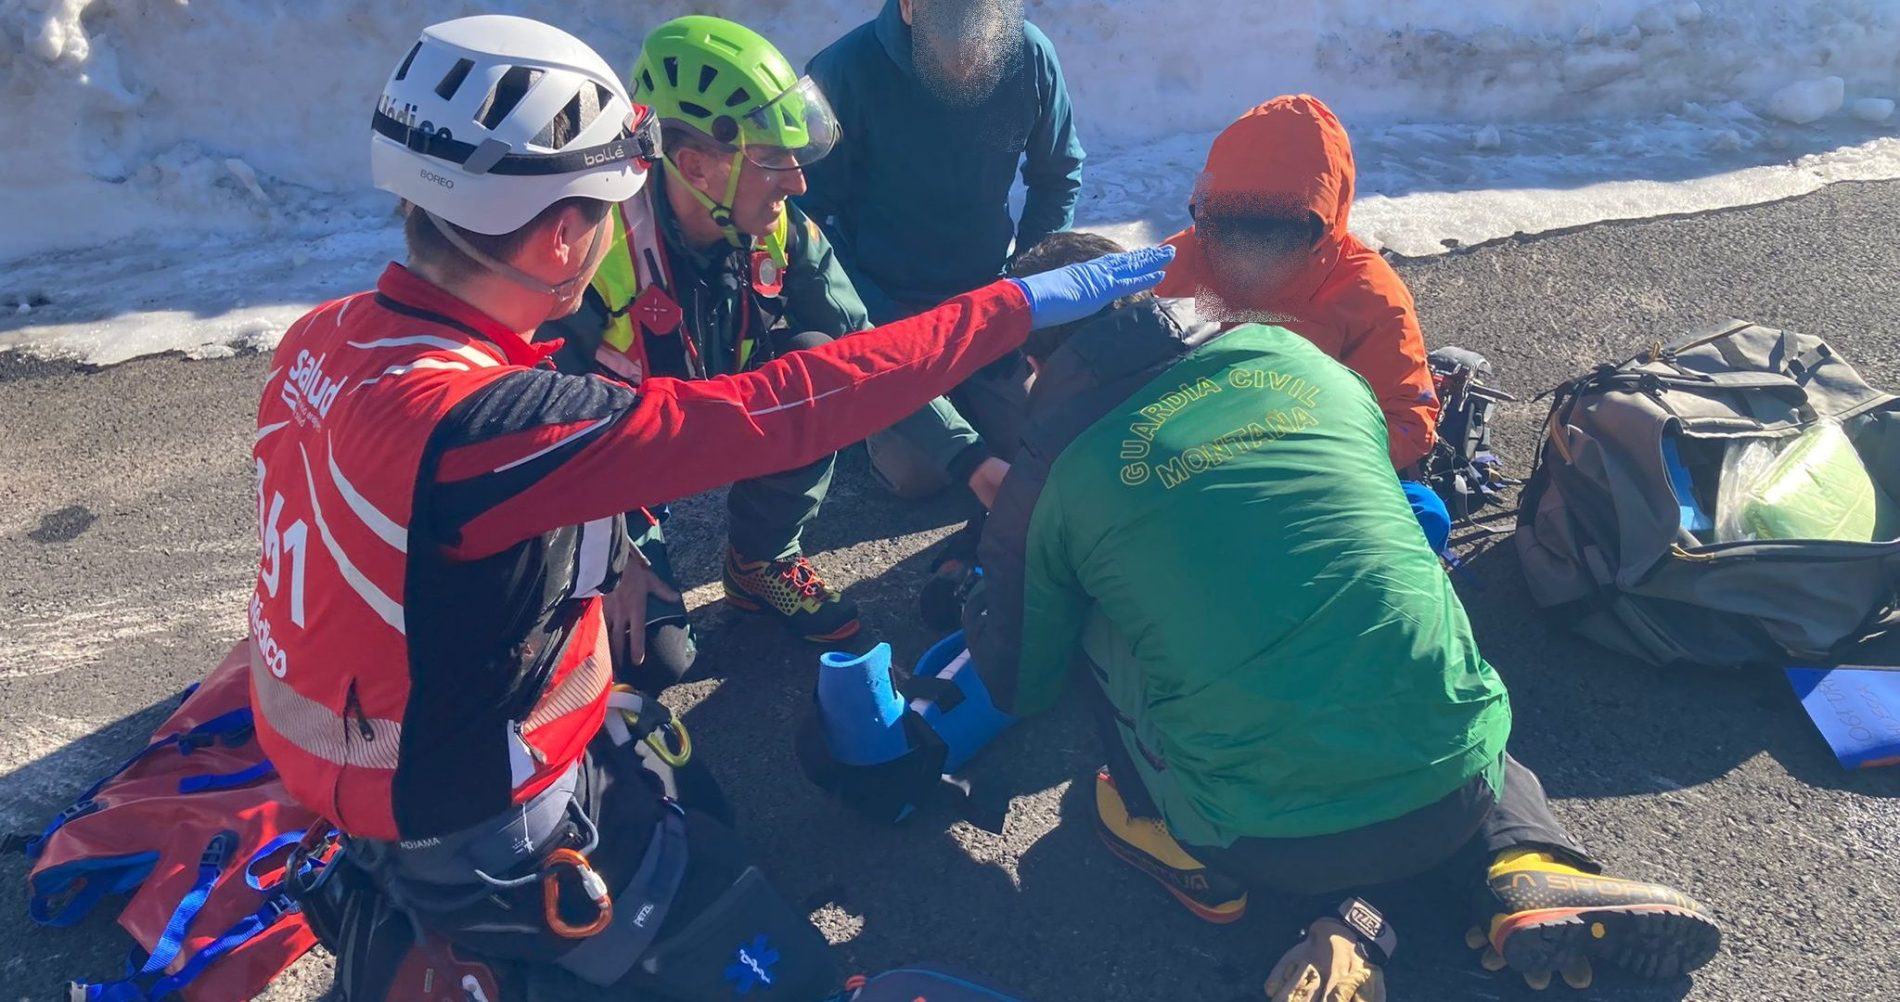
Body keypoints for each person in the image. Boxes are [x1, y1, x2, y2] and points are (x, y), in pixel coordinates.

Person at [249, 14, 1168, 997]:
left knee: (701, 792)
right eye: (612, 198)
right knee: (789, 966)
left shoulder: (328, 336)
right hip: (487, 820)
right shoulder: (486, 428)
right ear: (561, 236)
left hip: (401, 762)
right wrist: (1018, 305)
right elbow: (788, 408)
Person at [963, 231, 1721, 999]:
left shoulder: (1053, 467)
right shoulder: (1297, 358)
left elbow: (1021, 680)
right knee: (1373, 599)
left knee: (1092, 609)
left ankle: (1181, 847)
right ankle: (1524, 858)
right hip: (1462, 783)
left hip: (1263, 839)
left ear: (1034, 362)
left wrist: (999, 578)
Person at [539, 16, 995, 664]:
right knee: (655, 661)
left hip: (711, 419)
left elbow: (867, 352)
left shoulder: (780, 227)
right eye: (772, 160)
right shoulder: (592, 254)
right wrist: (611, 554)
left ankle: (761, 558)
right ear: (694, 165)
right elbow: (545, 432)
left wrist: (972, 461)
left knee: (820, 354)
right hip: (621, 468)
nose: (798, 182)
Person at [803, 0, 1085, 501]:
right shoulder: (844, 69)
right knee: (919, 476)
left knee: (1041, 446)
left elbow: (1057, 174)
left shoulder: (1028, 53)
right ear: (911, 8)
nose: (972, 56)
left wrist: (1024, 286)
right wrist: (874, 315)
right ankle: (872, 414)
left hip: (986, 296)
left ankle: (961, 393)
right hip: (889, 303)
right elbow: (807, 218)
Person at [1153, 95, 1454, 551]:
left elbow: (1406, 417)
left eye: (1275, 228)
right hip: (1191, 460)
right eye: (1233, 224)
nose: (1250, 249)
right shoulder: (1177, 262)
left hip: (1313, 473)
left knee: (1423, 515)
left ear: (1323, 223)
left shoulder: (1366, 292)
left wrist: (1301, 460)